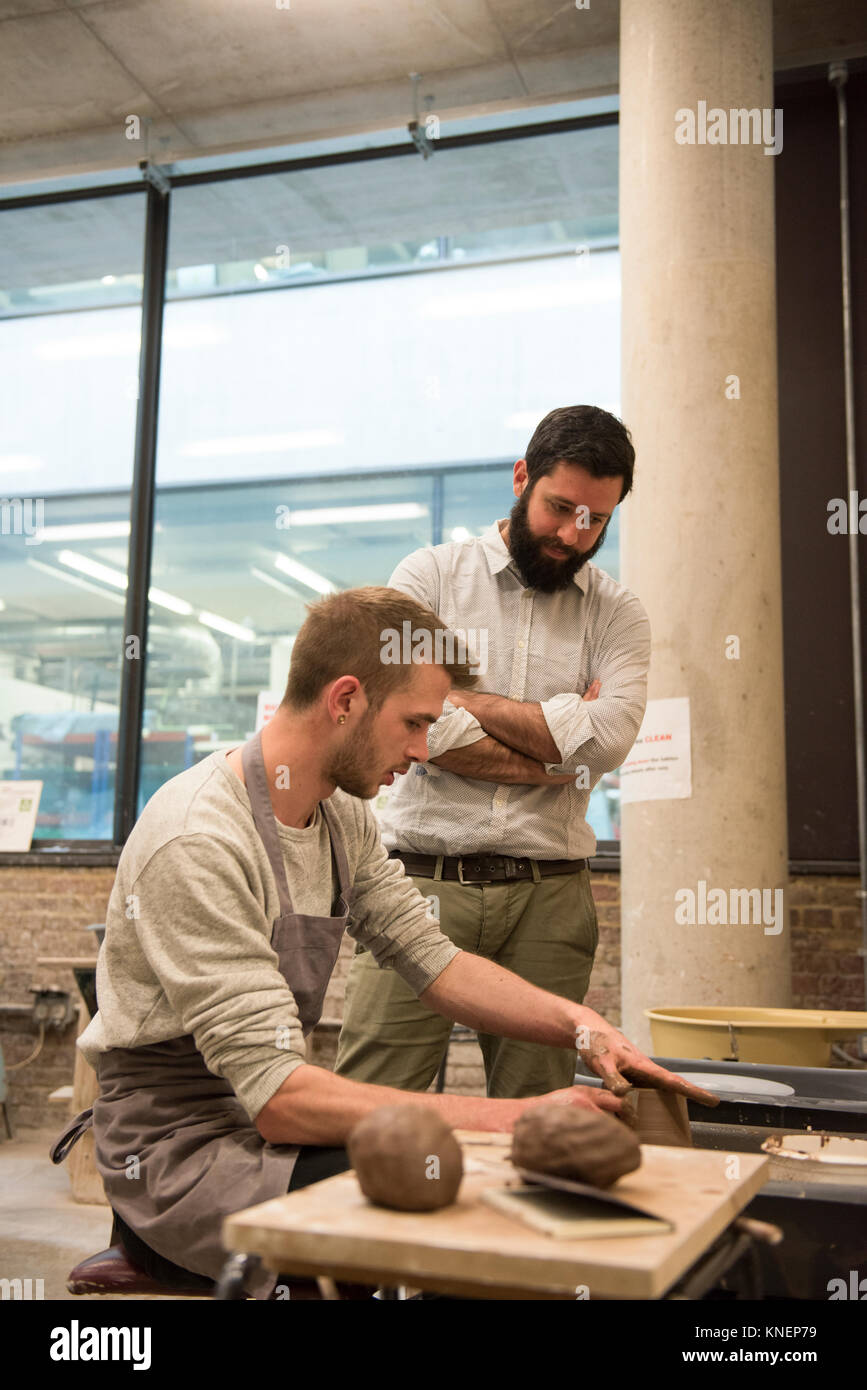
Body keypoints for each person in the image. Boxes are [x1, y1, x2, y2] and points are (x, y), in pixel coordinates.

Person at [50, 585, 708, 1301]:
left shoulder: (340, 817)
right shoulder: (199, 838)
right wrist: (511, 1117)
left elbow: (436, 963)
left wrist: (584, 1028)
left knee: (493, 1187)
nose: (424, 751)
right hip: (181, 1152)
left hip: (262, 1119)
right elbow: (278, 1098)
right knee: (458, 1213)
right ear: (345, 701)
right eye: (415, 723)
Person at [336, 405, 651, 1099]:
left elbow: (609, 741)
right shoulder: (429, 578)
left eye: (596, 519)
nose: (574, 533)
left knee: (547, 1113)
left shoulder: (618, 613)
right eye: (559, 507)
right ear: (520, 477)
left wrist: (462, 698)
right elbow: (403, 720)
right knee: (372, 1101)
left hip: (550, 898)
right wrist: (557, 753)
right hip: (419, 886)